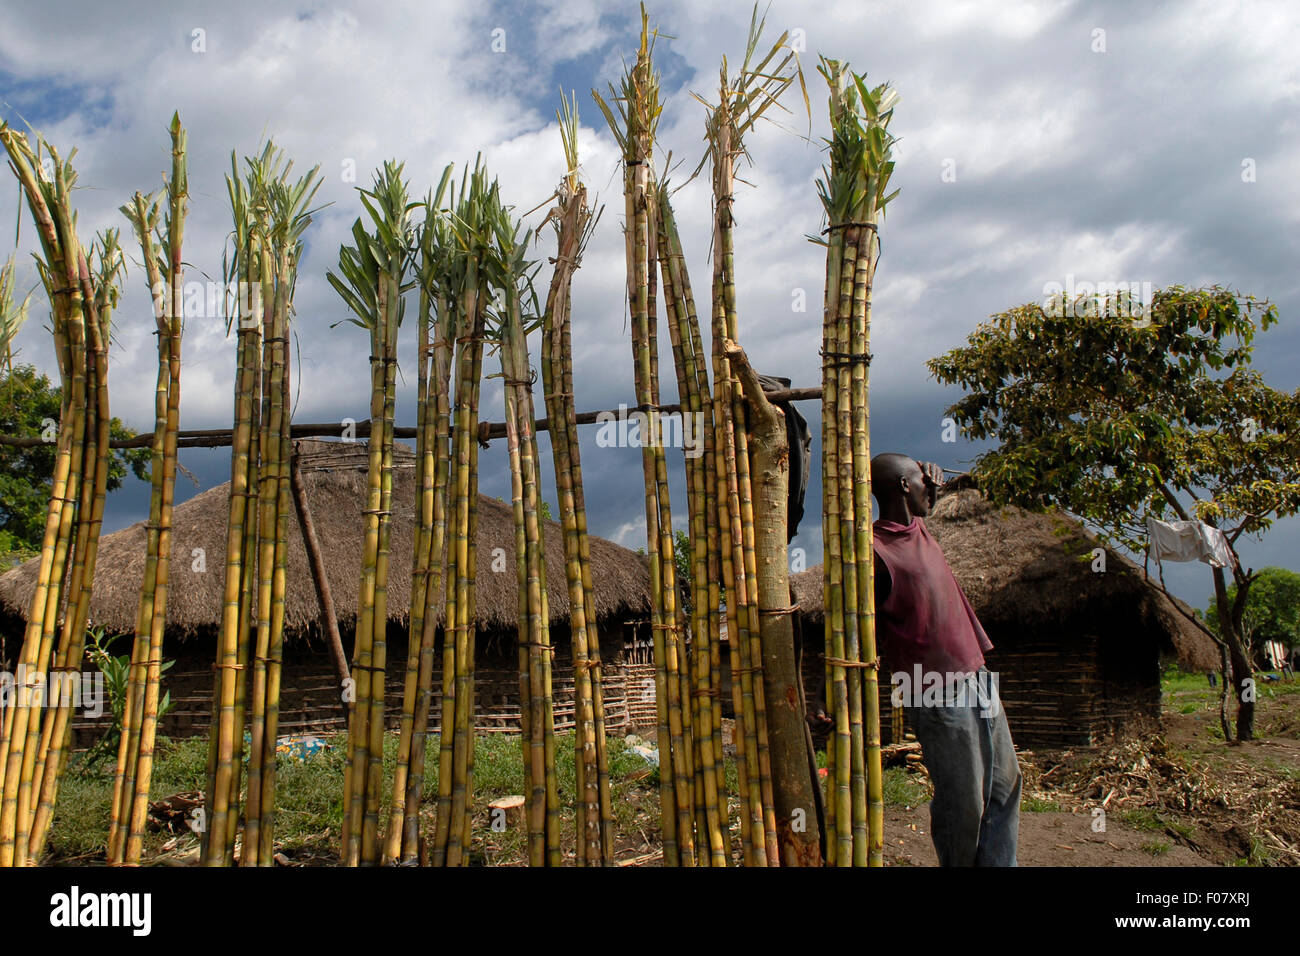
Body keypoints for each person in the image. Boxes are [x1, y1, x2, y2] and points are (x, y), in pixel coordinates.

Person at [871, 452, 1021, 866]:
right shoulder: (875, 550)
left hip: (977, 675)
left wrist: (935, 483)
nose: (929, 485)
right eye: (921, 480)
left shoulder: (919, 529)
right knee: (965, 803)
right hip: (933, 689)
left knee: (1004, 788)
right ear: (903, 486)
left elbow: (953, 490)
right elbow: (854, 632)